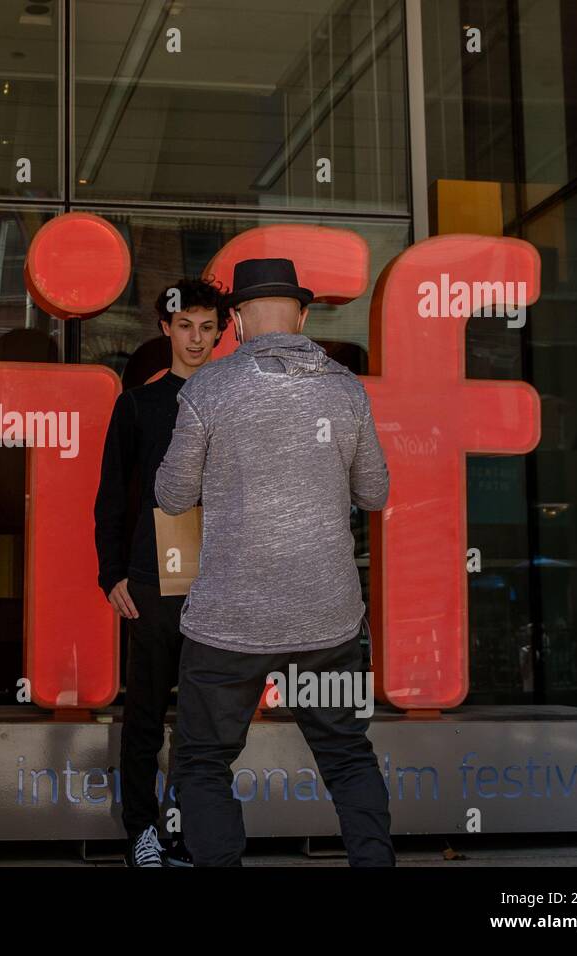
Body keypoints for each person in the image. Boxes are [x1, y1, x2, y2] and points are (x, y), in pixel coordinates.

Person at [155, 257, 394, 867]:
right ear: (304, 315)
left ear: (233, 320)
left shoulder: (207, 387)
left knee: (203, 761)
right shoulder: (346, 388)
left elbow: (173, 496)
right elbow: (375, 493)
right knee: (347, 754)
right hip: (328, 618)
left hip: (229, 621)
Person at [94, 278, 224, 867]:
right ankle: (141, 835)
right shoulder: (138, 404)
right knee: (145, 715)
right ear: (166, 329)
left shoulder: (236, 404)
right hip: (151, 583)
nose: (195, 338)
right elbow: (110, 500)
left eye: (206, 326)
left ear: (221, 331)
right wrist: (113, 573)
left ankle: (197, 836)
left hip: (222, 586)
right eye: (185, 326)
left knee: (206, 724)